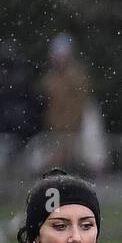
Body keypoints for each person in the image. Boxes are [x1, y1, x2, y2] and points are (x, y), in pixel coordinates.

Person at [40, 34, 92, 173]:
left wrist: (71, 127)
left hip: (71, 131)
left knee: (71, 166)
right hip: (55, 130)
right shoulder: (50, 78)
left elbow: (78, 105)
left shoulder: (76, 77)